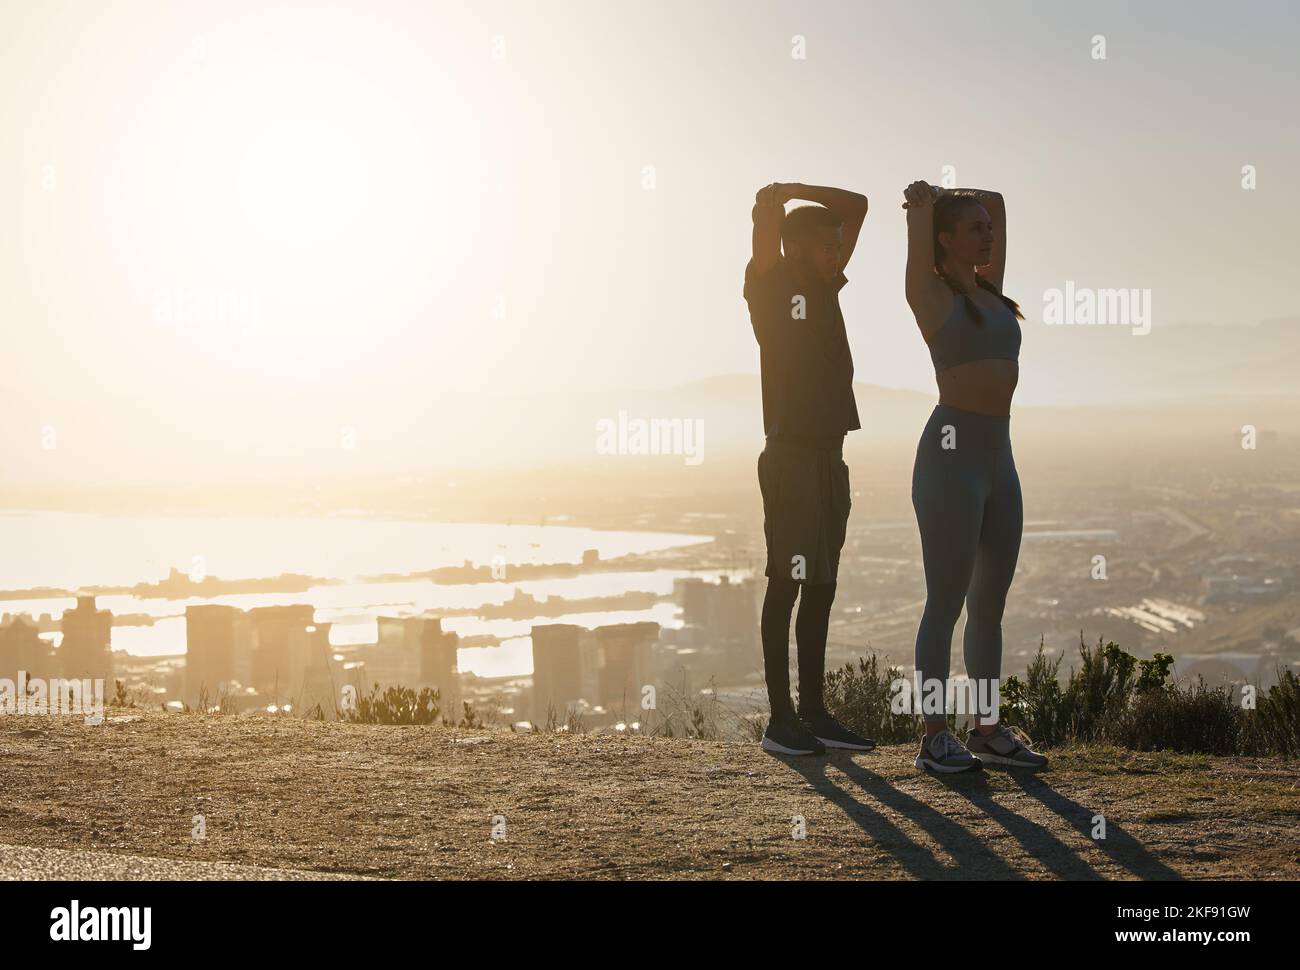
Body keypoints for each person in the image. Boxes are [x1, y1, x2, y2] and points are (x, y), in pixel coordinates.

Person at [902, 179, 1048, 772]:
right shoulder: (929, 294)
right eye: (974, 228)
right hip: (950, 460)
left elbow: (1002, 202)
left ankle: (987, 728)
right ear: (945, 239)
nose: (988, 233)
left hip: (999, 461)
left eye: (988, 229)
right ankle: (935, 735)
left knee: (990, 605)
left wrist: (960, 196)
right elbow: (918, 238)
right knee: (945, 603)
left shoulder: (993, 293)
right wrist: (924, 202)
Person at [744, 182, 875, 756]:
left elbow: (858, 208)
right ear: (793, 248)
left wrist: (801, 188)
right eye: (825, 247)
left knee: (822, 584)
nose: (836, 253)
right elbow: (767, 230)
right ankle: (781, 721)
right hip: (792, 453)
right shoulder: (772, 289)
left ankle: (816, 714)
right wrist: (777, 205)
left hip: (828, 455)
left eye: (837, 247)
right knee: (787, 583)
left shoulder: (825, 288)